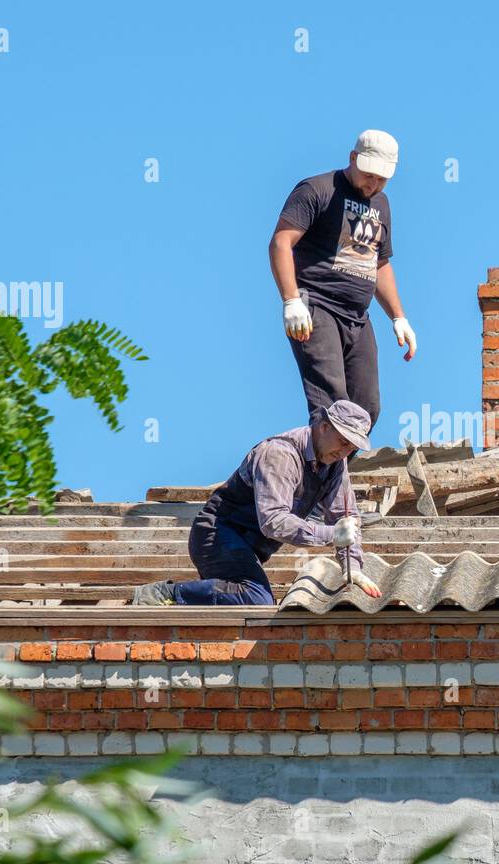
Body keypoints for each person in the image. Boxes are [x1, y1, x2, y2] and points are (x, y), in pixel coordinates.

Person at [132, 400, 382, 606]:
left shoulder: (335, 463)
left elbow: (345, 519)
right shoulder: (281, 455)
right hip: (217, 535)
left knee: (246, 596)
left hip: (246, 549)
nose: (345, 451)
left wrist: (352, 567)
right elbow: (274, 522)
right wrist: (332, 534)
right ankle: (166, 594)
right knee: (258, 600)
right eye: (343, 441)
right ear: (324, 426)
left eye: (352, 446)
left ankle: (195, 595)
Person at [269, 129, 417, 435]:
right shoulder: (317, 190)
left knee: (366, 409)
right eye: (369, 175)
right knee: (332, 404)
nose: (374, 184)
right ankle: (319, 478)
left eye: (382, 179)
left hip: (357, 319)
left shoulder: (382, 205)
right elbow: (281, 242)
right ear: (353, 158)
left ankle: (326, 474)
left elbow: (380, 263)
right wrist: (291, 300)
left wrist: (399, 317)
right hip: (317, 309)